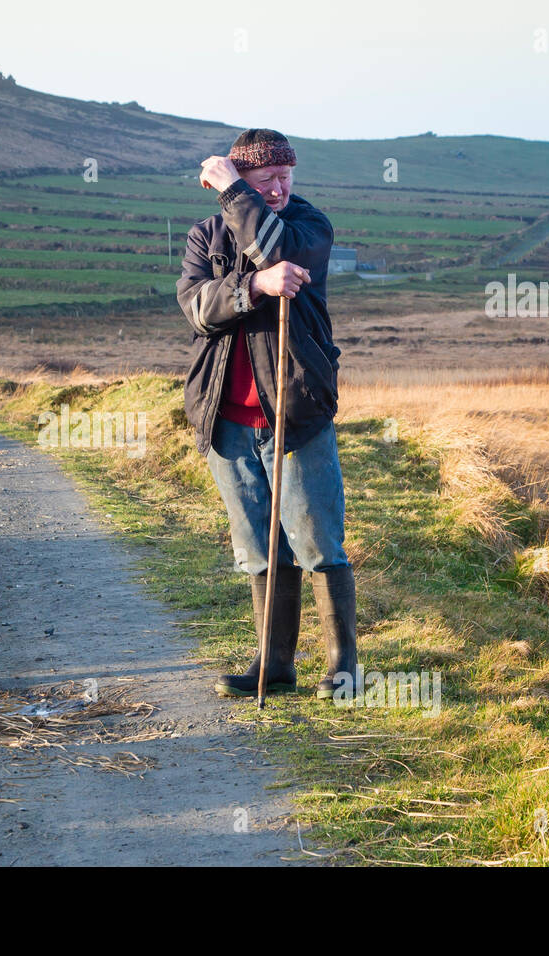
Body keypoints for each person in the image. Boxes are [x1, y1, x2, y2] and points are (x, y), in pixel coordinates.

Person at [177, 129, 360, 699]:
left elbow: (279, 250)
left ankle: (342, 667)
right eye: (264, 181)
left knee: (317, 538)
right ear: (242, 180)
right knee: (258, 545)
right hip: (227, 419)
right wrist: (254, 285)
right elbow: (197, 310)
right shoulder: (205, 236)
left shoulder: (311, 226)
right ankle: (273, 667)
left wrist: (237, 196)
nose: (278, 188)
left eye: (286, 177)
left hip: (295, 411)